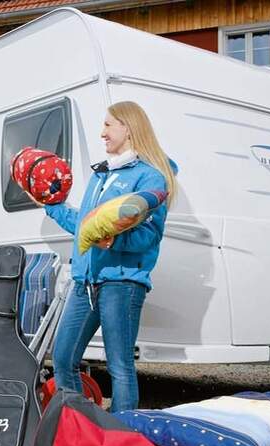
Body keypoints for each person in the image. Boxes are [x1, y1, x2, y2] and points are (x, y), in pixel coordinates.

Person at [34, 101, 177, 413]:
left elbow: (150, 235)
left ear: (129, 127)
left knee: (119, 365)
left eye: (108, 125)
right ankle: (77, 424)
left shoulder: (150, 177)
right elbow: (84, 225)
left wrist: (114, 240)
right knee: (63, 358)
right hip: (85, 282)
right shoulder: (101, 175)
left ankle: (120, 431)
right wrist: (51, 206)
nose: (102, 133)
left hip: (121, 283)